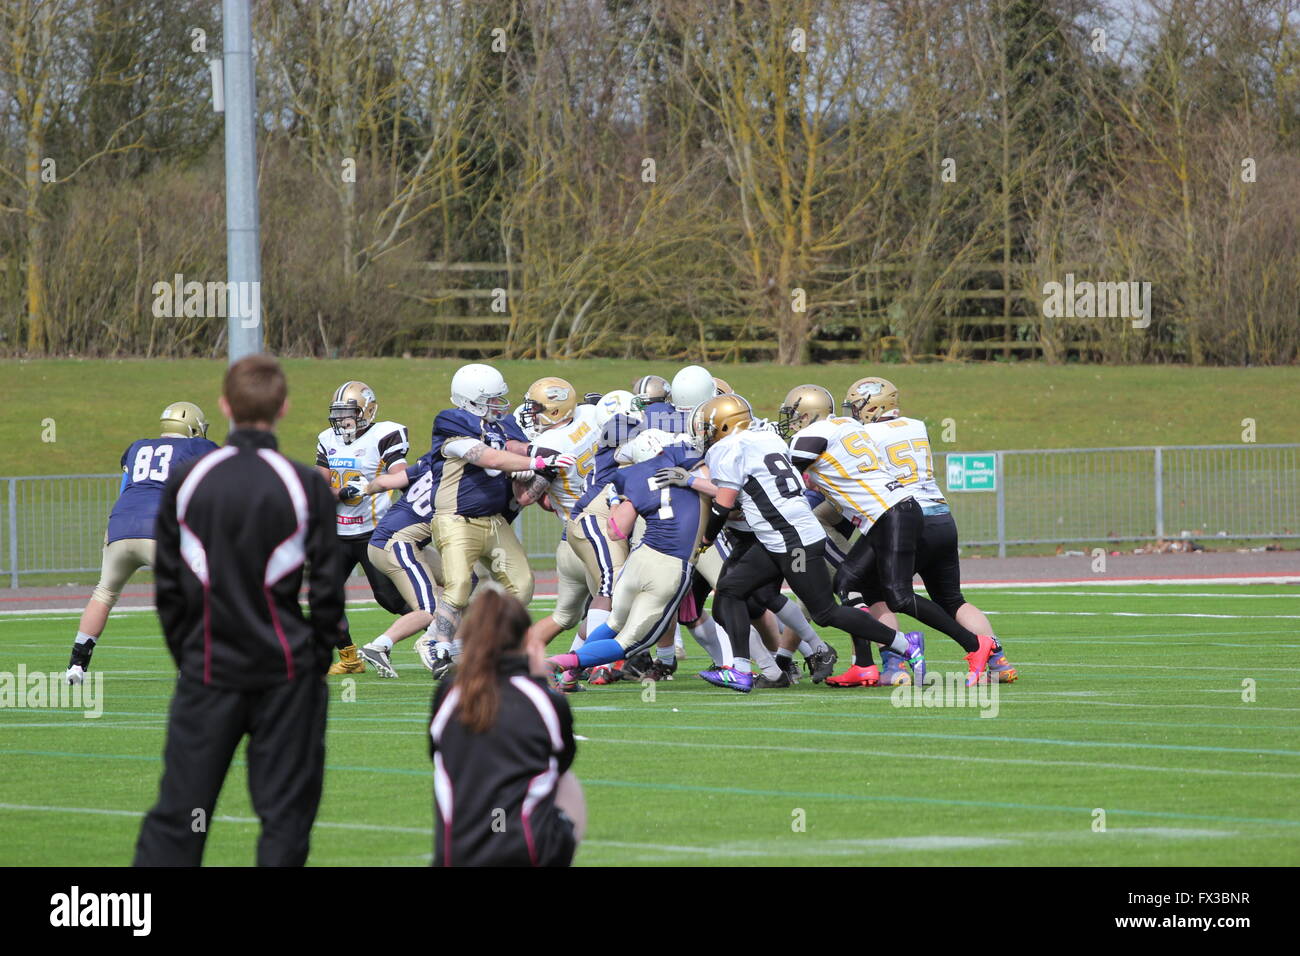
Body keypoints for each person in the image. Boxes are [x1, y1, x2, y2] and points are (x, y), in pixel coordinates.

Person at [134, 354, 343, 866]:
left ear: (225, 405)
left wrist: (187, 651)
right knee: (285, 818)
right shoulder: (305, 483)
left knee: (179, 816)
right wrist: (315, 658)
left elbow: (169, 585)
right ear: (284, 407)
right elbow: (328, 586)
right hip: (287, 672)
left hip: (209, 668)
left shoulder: (189, 479)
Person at [683, 394, 924, 694]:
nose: (704, 434)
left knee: (825, 612)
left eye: (708, 427)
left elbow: (723, 505)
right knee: (730, 592)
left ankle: (903, 643)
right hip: (782, 535)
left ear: (723, 424)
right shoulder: (766, 438)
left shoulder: (727, 448)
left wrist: (705, 540)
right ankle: (741, 670)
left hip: (791, 540)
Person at [842, 376, 1015, 684]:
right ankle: (998, 661)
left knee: (873, 591)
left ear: (872, 405)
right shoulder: (916, 425)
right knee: (951, 599)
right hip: (942, 515)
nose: (854, 412)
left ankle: (895, 664)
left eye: (857, 405)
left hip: (905, 519)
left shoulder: (865, 434)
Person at [423, 363, 572, 674]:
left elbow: (512, 446)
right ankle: (438, 648)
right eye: (492, 399)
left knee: (523, 584)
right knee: (460, 584)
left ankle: (476, 646)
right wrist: (535, 460)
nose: (499, 405)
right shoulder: (451, 421)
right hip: (456, 519)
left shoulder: (499, 427)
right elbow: (487, 457)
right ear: (470, 400)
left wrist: (542, 455)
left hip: (493, 521)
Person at [430, 587, 585, 867]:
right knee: (564, 778)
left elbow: (437, 754)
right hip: (528, 852)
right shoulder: (544, 700)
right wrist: (540, 677)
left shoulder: (449, 693)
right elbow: (561, 764)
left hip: (456, 854)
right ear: (528, 638)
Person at [65, 402, 219, 684]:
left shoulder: (136, 448)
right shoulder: (199, 449)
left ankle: (76, 665)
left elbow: (127, 488)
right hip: (160, 528)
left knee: (104, 593)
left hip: (120, 523)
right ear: (194, 427)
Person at [315, 381, 412, 675]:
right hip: (338, 533)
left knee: (390, 598)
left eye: (349, 412)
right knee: (325, 598)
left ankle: (448, 637)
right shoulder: (327, 439)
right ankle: (349, 658)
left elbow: (402, 476)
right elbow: (320, 485)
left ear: (367, 411)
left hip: (375, 531)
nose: (342, 419)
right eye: (338, 412)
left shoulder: (384, 435)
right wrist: (342, 493)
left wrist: (370, 488)